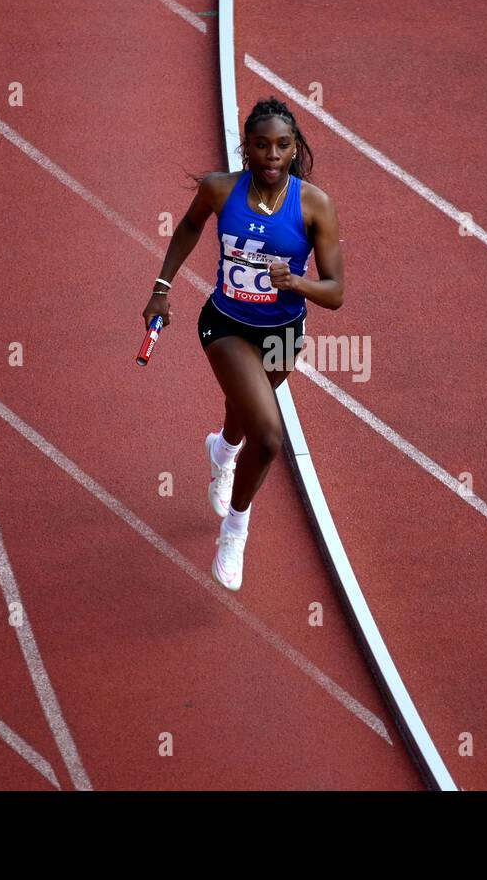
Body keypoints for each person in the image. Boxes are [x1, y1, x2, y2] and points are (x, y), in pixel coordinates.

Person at [142, 96, 345, 591]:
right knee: (270, 435)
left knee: (245, 406)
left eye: (282, 145)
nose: (272, 155)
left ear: (295, 149)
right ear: (247, 149)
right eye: (262, 145)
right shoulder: (220, 190)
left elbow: (335, 291)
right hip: (226, 324)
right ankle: (236, 529)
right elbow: (189, 226)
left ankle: (222, 453)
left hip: (283, 334)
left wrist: (296, 284)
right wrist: (161, 289)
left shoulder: (314, 204)